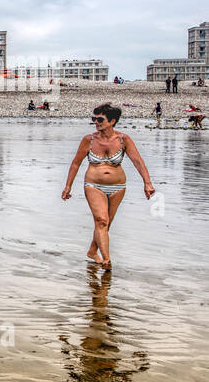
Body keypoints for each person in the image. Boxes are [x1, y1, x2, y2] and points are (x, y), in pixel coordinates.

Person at [61, 103, 156, 270]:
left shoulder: (123, 139)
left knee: (105, 224)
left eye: (99, 119)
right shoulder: (88, 140)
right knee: (102, 220)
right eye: (94, 119)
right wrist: (68, 186)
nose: (96, 122)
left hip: (118, 187)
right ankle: (106, 260)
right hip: (93, 185)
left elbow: (138, 162)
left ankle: (92, 251)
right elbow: (76, 163)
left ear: (112, 121)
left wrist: (147, 183)